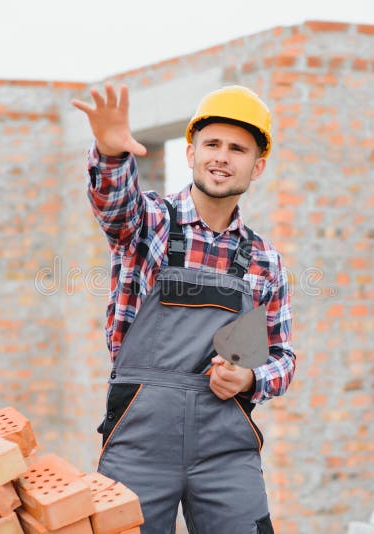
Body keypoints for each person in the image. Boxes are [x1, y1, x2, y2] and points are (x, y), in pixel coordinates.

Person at [72, 83, 296, 534]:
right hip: (140, 442)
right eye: (212, 144)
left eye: (238, 148)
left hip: (224, 451)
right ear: (191, 153)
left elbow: (281, 358)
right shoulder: (150, 224)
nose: (222, 156)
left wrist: (251, 378)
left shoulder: (264, 259)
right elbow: (114, 208)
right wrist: (111, 156)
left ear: (257, 166)